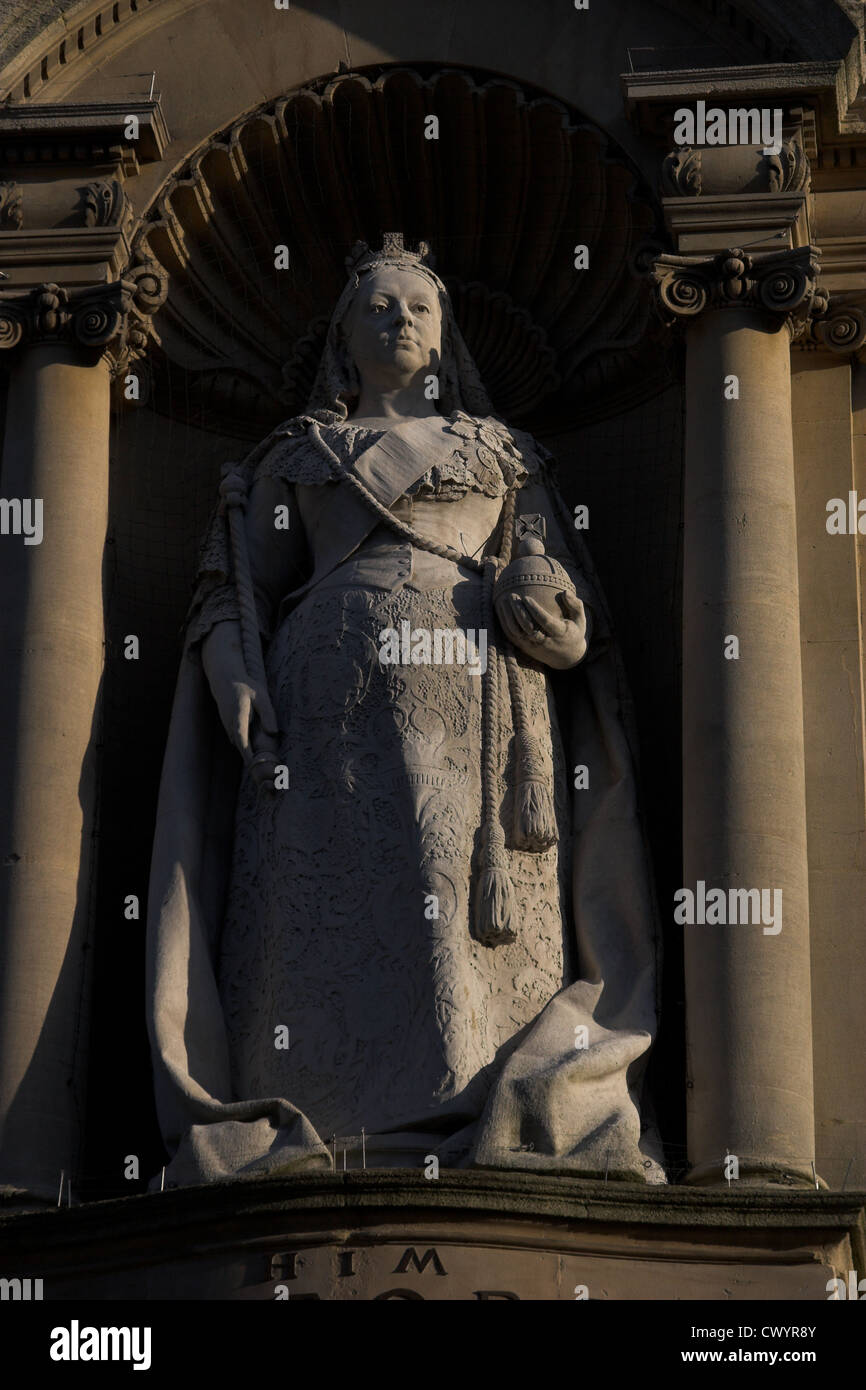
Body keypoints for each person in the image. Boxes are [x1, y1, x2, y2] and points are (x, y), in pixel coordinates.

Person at [146, 235, 665, 1185]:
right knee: (328, 915)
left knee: (459, 922)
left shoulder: (504, 454)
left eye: (420, 307)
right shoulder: (299, 456)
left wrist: (548, 613)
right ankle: (324, 1123)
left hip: (476, 708)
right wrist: (235, 679)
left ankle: (472, 1121)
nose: (402, 320)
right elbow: (233, 594)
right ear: (344, 336)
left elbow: (570, 614)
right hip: (323, 709)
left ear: (444, 332)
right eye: (379, 306)